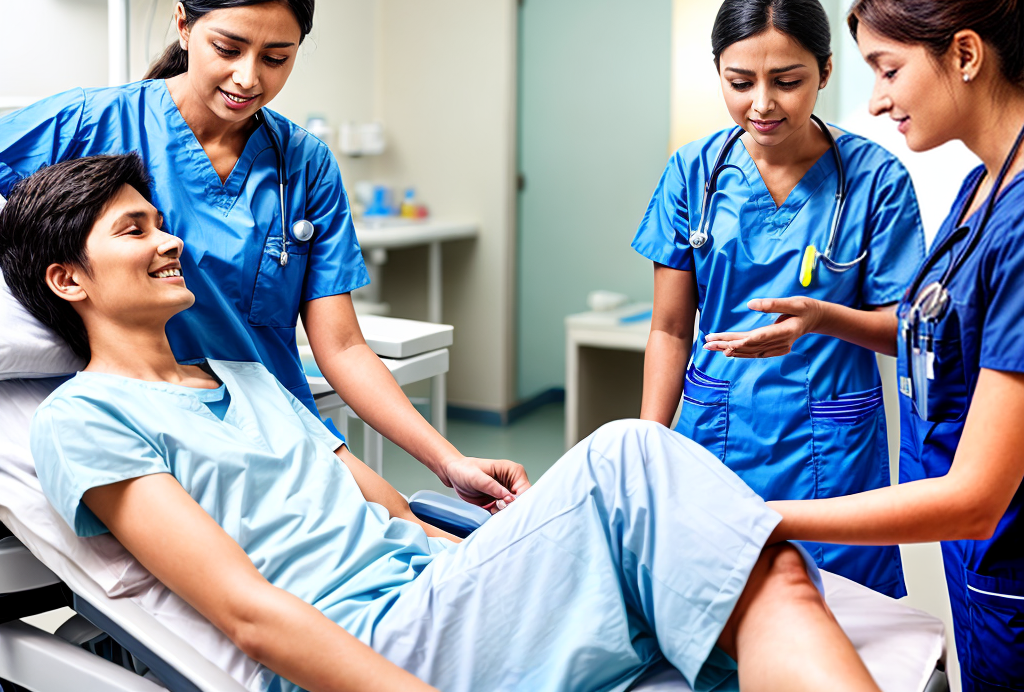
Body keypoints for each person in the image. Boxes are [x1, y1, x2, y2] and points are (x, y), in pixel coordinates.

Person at [0, 153, 884, 692]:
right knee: (632, 454)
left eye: (161, 223)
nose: (170, 242)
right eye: (134, 231)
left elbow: (391, 511)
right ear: (67, 280)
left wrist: (523, 553)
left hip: (440, 596)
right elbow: (248, 614)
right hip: (374, 642)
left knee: (763, 572)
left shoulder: (248, 379)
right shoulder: (86, 418)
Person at [0, 0, 529, 520]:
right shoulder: (93, 123)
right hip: (163, 434)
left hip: (282, 430)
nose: (249, 78)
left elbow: (342, 345)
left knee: (410, 536)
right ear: (184, 25)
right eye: (227, 48)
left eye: (277, 58)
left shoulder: (304, 164)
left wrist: (448, 462)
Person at [704, 0, 1024, 690]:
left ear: (966, 54)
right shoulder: (983, 188)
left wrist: (761, 519)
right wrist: (824, 317)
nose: (877, 100)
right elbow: (937, 331)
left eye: (888, 68)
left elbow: (977, 499)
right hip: (979, 568)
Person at [632, 0, 924, 597]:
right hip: (715, 432)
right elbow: (670, 329)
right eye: (740, 83)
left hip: (832, 445)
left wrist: (822, 317)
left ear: (824, 71)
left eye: (787, 81)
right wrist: (650, 443)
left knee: (845, 614)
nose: (762, 104)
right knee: (710, 609)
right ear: (719, 72)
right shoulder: (692, 173)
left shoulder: (877, 180)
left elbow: (902, 333)